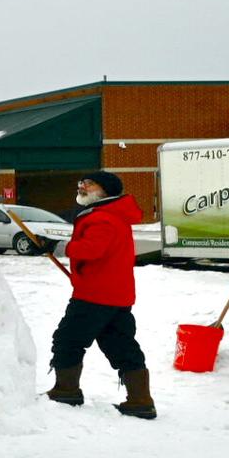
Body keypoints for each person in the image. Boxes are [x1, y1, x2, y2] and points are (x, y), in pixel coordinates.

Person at [46, 171, 156, 419]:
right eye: (81, 183)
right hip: (115, 295)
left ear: (105, 190)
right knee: (121, 345)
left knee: (68, 340)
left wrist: (60, 246)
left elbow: (92, 250)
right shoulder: (112, 214)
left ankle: (66, 389)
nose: (81, 187)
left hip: (94, 296)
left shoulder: (103, 218)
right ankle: (140, 399)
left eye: (88, 183)